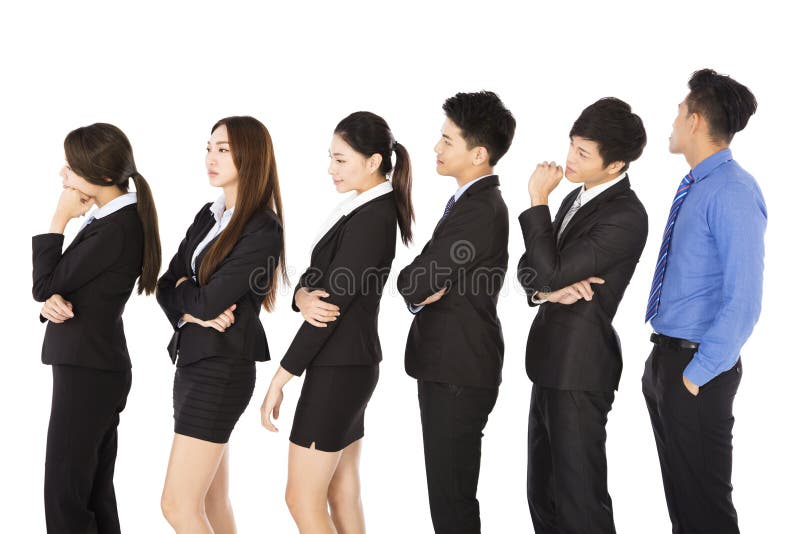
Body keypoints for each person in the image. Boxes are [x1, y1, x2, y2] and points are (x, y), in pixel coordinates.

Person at [261, 111, 414, 534]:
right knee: (341, 494)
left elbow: (329, 309)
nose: (331, 168)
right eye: (330, 157)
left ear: (374, 161)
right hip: (347, 365)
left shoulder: (373, 216)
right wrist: (300, 296)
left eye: (341, 159)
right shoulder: (360, 207)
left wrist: (280, 378)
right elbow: (316, 280)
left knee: (301, 499)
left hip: (339, 367)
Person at [517, 97, 648, 533]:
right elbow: (530, 269)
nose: (569, 159)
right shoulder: (576, 196)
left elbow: (546, 267)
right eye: (572, 145)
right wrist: (546, 292)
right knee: (542, 497)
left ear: (616, 165)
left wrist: (537, 200)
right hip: (549, 365)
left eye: (583, 153)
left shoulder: (626, 215)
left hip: (580, 370)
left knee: (581, 503)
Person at [642, 69, 765, 534]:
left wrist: (695, 375)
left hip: (698, 370)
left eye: (679, 112)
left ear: (695, 120)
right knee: (685, 511)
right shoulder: (697, 185)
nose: (673, 121)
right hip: (667, 361)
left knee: (707, 514)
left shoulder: (732, 190)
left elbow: (745, 300)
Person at [156, 116, 286, 533]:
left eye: (223, 150)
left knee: (177, 505)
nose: (211, 158)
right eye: (209, 148)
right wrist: (191, 307)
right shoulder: (208, 215)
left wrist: (192, 296)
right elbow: (165, 285)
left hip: (221, 370)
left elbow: (210, 300)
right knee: (212, 503)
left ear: (250, 157)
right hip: (192, 362)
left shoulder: (262, 227)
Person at [32, 123, 161, 533]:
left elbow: (44, 284)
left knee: (66, 495)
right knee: (90, 493)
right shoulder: (112, 220)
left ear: (102, 175)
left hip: (89, 369)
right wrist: (51, 303)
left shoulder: (117, 226)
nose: (63, 175)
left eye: (70, 167)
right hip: (93, 367)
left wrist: (59, 217)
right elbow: (63, 289)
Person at [397, 91, 515, 534]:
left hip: (458, 371)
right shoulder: (469, 203)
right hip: (453, 368)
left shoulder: (480, 210)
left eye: (448, 141)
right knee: (448, 497)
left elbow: (415, 280)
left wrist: (418, 286)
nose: (436, 148)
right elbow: (422, 280)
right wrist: (420, 285)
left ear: (479, 154)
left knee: (452, 502)